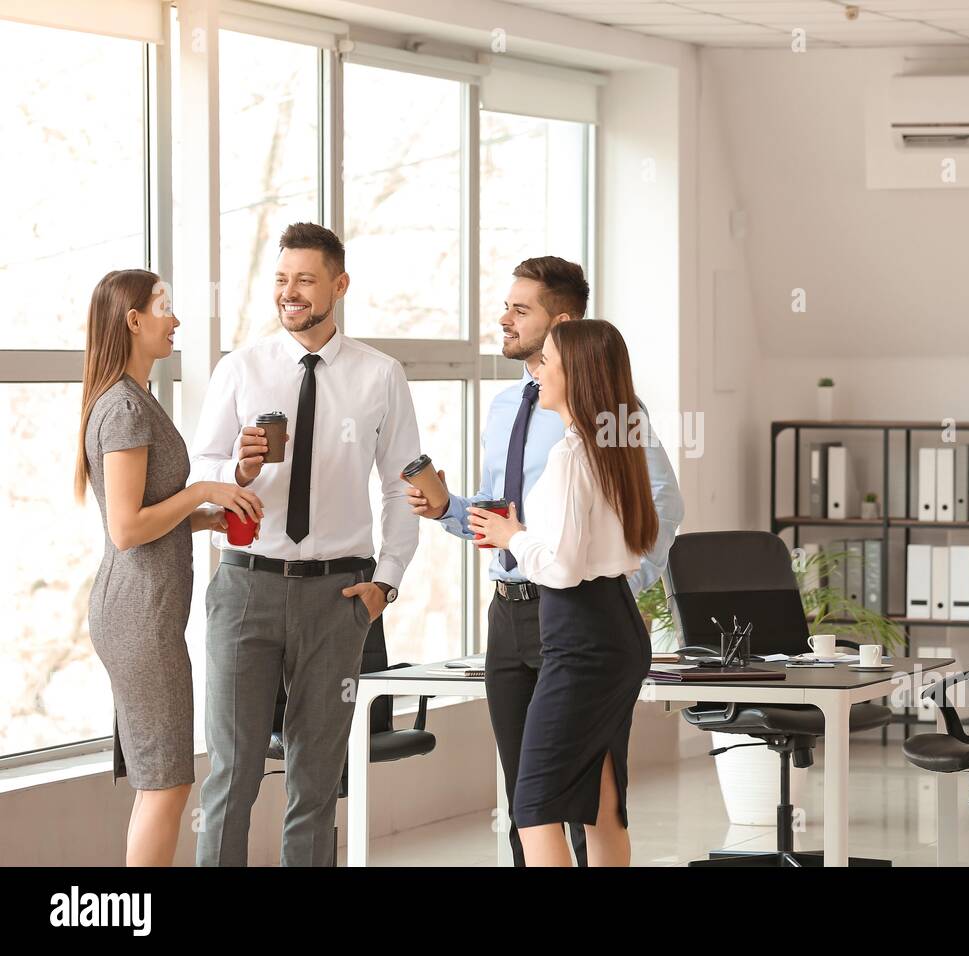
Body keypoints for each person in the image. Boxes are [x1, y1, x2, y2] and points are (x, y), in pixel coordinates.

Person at [406, 257, 683, 866]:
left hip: (576, 613)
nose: (504, 318)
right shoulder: (508, 406)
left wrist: (610, 581)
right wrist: (448, 508)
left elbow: (659, 501)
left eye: (520, 309)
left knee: (582, 799)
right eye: (506, 305)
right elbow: (499, 514)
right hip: (511, 613)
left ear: (562, 323)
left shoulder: (614, 416)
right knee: (525, 792)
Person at [189, 223, 420, 866]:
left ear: (339, 286)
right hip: (246, 586)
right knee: (231, 775)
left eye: (305, 280)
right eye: (281, 280)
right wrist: (237, 470)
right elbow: (200, 476)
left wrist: (387, 581)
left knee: (315, 781)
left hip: (337, 594)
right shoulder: (241, 369)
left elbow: (403, 486)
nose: (289, 293)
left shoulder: (381, 375)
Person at [76, 269, 263, 866]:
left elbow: (145, 515)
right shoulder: (126, 408)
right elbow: (127, 528)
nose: (176, 320)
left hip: (142, 613)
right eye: (165, 308)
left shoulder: (134, 400)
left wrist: (202, 518)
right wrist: (205, 487)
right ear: (133, 320)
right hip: (139, 618)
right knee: (166, 781)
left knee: (161, 778)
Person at [469, 319, 658, 866]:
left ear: (574, 375)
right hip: (615, 628)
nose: (539, 370)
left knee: (534, 806)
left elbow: (561, 568)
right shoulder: (613, 449)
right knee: (601, 800)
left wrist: (513, 536)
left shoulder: (573, 456)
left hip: (580, 639)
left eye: (547, 361)